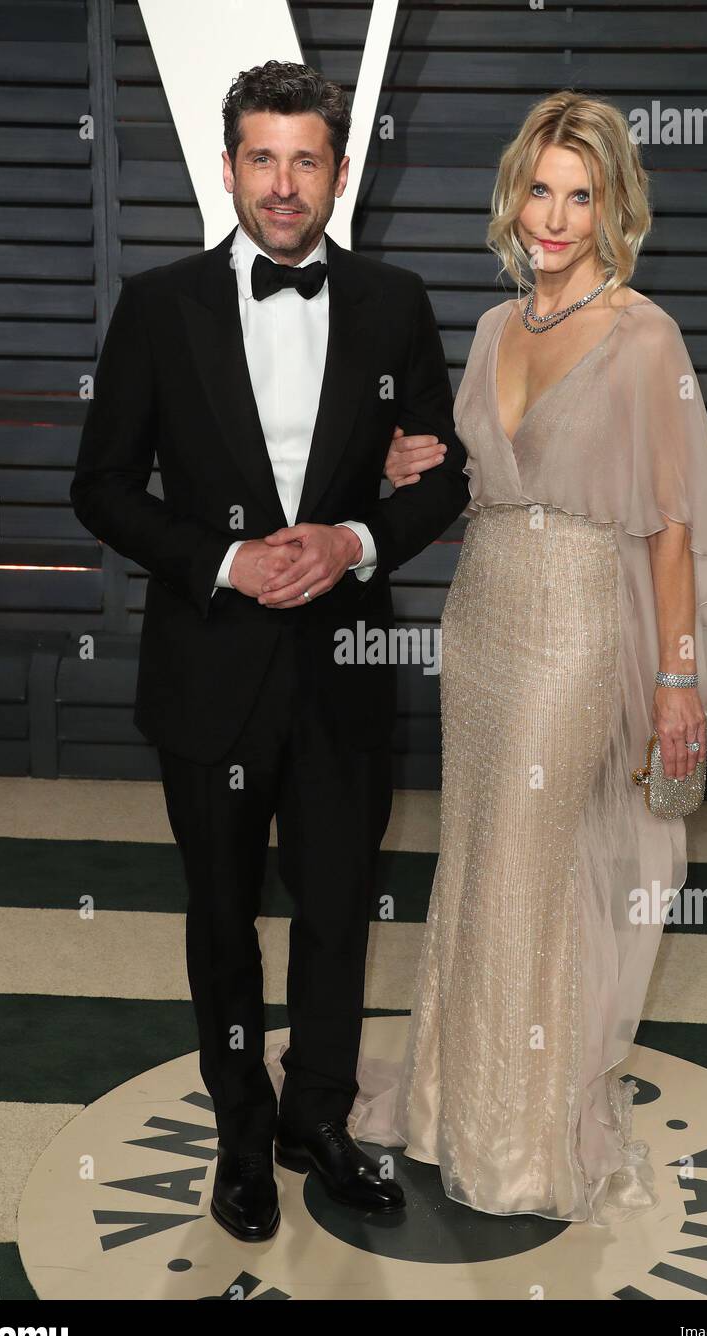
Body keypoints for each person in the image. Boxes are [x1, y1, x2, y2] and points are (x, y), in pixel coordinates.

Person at [344, 90, 707, 1223]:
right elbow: (475, 481)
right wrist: (411, 458)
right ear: (515, 195)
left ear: (614, 205)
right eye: (541, 188)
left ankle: (520, 1138)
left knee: (533, 861)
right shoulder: (488, 333)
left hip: (579, 627)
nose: (557, 216)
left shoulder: (644, 335)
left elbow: (673, 526)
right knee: (477, 856)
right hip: (481, 623)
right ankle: (445, 1102)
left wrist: (677, 679)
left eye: (581, 195)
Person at [70, 60, 470, 1241]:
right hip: (210, 669)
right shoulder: (158, 304)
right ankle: (242, 1137)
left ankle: (318, 1122)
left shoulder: (397, 302)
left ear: (340, 172)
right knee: (223, 915)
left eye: (307, 160)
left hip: (343, 671)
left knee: (340, 909)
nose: (284, 184)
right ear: (229, 164)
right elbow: (99, 487)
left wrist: (352, 538)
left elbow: (439, 475)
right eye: (262, 157)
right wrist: (226, 560)